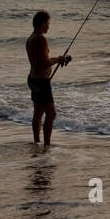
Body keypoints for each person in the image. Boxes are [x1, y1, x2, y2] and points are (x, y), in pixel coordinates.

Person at [26, 11, 71, 146]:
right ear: (42, 23)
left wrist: (57, 60)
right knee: (51, 114)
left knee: (38, 112)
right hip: (41, 82)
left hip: (33, 79)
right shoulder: (41, 39)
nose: (49, 27)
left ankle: (37, 142)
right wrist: (58, 59)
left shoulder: (31, 38)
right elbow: (43, 63)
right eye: (48, 23)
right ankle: (46, 145)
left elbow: (39, 61)